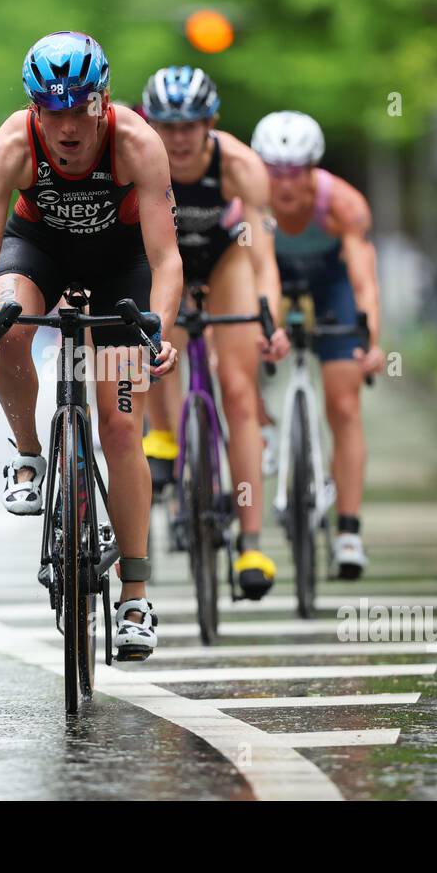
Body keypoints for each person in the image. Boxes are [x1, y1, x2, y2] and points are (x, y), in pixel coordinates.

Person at [0, 31, 182, 660]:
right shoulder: (8, 148)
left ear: (104, 101)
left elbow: (166, 258)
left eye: (80, 107)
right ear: (33, 110)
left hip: (121, 268)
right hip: (39, 254)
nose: (66, 127)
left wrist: (157, 329)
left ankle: (134, 595)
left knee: (119, 425)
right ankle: (29, 453)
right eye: (50, 110)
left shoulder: (138, 143)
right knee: (7, 326)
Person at [138, 65, 289, 599]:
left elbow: (264, 256)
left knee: (241, 392)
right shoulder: (136, 157)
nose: (178, 139)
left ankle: (251, 542)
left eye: (191, 126)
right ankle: (165, 436)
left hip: (226, 260)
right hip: (165, 262)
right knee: (153, 337)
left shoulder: (240, 165)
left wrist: (269, 318)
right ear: (150, 123)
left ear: (211, 123)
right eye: (167, 126)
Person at [250, 110, 384, 579]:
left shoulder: (342, 205)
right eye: (275, 171)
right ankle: (261, 424)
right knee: (239, 340)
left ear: (313, 169)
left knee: (344, 405)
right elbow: (250, 271)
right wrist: (265, 329)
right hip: (273, 278)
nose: (285, 184)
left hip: (332, 284)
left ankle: (348, 530)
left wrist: (371, 340)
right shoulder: (251, 200)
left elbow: (364, 280)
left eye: (296, 171)